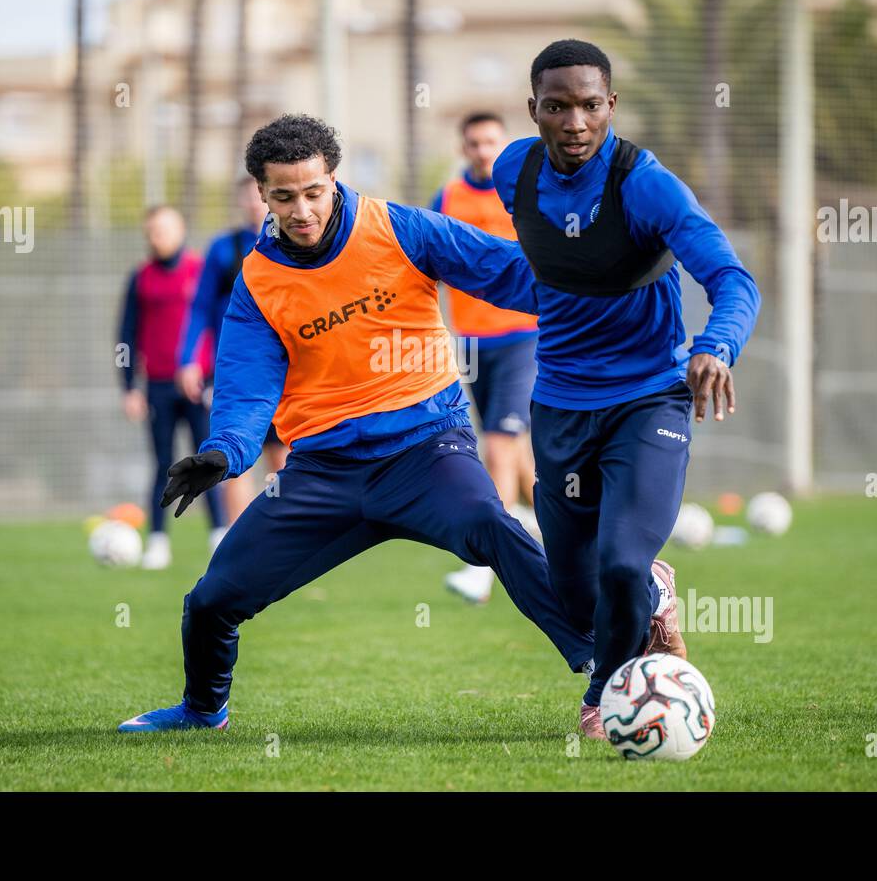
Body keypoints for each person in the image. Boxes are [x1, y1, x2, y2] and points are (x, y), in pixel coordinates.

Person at [118, 114, 593, 733]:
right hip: (322, 473)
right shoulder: (258, 282)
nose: (302, 210)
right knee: (211, 600)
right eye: (284, 196)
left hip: (428, 451)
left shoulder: (399, 228)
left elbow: (508, 273)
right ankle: (203, 711)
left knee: (489, 524)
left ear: (333, 179)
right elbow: (246, 389)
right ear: (261, 194)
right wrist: (225, 452)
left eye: (313, 192)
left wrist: (594, 280)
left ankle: (606, 668)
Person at [492, 40, 761, 740]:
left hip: (650, 398)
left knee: (618, 565)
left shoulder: (646, 185)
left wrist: (715, 347)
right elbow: (547, 265)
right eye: (557, 106)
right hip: (558, 403)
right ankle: (656, 597)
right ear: (535, 111)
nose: (575, 121)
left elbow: (733, 281)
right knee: (576, 592)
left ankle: (604, 696)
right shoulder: (511, 171)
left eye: (590, 105)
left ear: (610, 106)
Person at [431, 111, 541, 605]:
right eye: (474, 143)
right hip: (472, 342)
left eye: (491, 141)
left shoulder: (524, 192)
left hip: (524, 335)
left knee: (498, 441)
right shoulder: (448, 199)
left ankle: (484, 568)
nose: (483, 150)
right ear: (463, 147)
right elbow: (425, 260)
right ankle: (576, 531)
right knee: (515, 453)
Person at [176, 176, 286, 538]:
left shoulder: (292, 244)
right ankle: (239, 537)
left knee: (280, 454)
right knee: (232, 455)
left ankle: (279, 531)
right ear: (243, 202)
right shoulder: (223, 249)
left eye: (263, 197)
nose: (257, 204)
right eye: (250, 198)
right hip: (234, 371)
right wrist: (188, 359)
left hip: (284, 370)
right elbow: (200, 307)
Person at [117, 205, 226, 569]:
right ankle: (159, 541)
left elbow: (219, 325)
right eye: (151, 231)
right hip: (159, 387)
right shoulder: (141, 277)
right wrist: (130, 387)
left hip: (199, 385)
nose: (157, 237)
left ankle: (219, 536)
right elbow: (126, 334)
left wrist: (215, 378)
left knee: (208, 460)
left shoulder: (201, 271)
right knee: (163, 463)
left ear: (180, 231)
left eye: (164, 229)